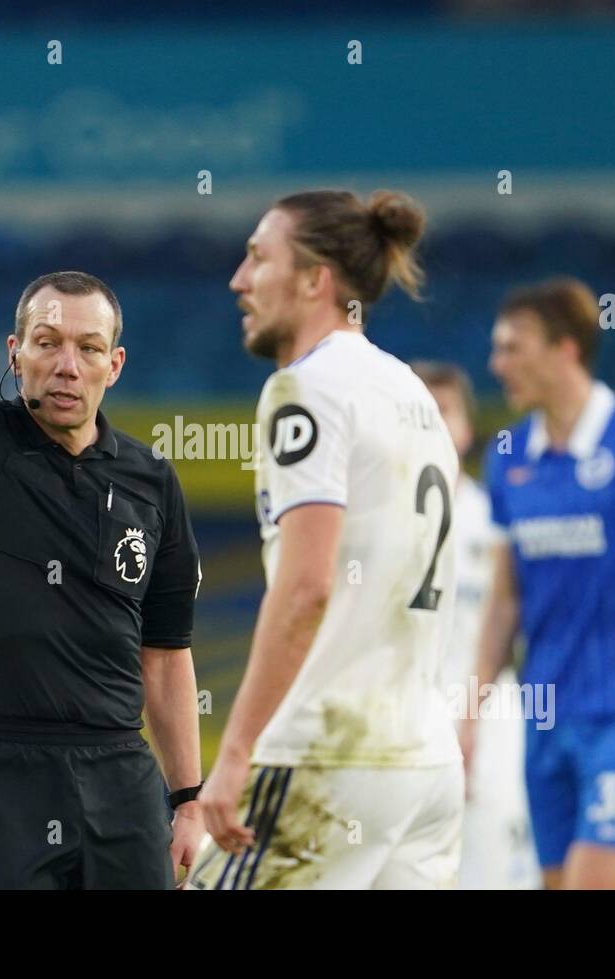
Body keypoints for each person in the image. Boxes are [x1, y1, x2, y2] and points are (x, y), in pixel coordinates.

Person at [0, 90, 206, 889]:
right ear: (14, 354)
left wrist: (187, 795)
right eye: (47, 343)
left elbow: (166, 658)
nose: (67, 364)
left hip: (121, 772)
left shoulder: (153, 482)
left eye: (89, 348)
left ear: (114, 366)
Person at [188, 189, 463, 889]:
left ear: (316, 280)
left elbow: (306, 586)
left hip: (331, 750)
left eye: (257, 258)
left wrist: (238, 750)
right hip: (425, 762)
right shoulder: (414, 394)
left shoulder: (305, 390)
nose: (238, 280)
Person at [469, 277, 615, 890]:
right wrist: (470, 712)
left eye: (512, 347)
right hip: (544, 720)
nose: (497, 364)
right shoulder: (509, 457)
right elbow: (504, 602)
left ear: (566, 349)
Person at [411, 360, 540, 890]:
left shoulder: (497, 519)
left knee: (490, 864)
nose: (434, 425)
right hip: (403, 713)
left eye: (444, 411)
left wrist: (471, 720)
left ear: (467, 428)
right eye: (420, 412)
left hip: (487, 712)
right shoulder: (367, 521)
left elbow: (513, 625)